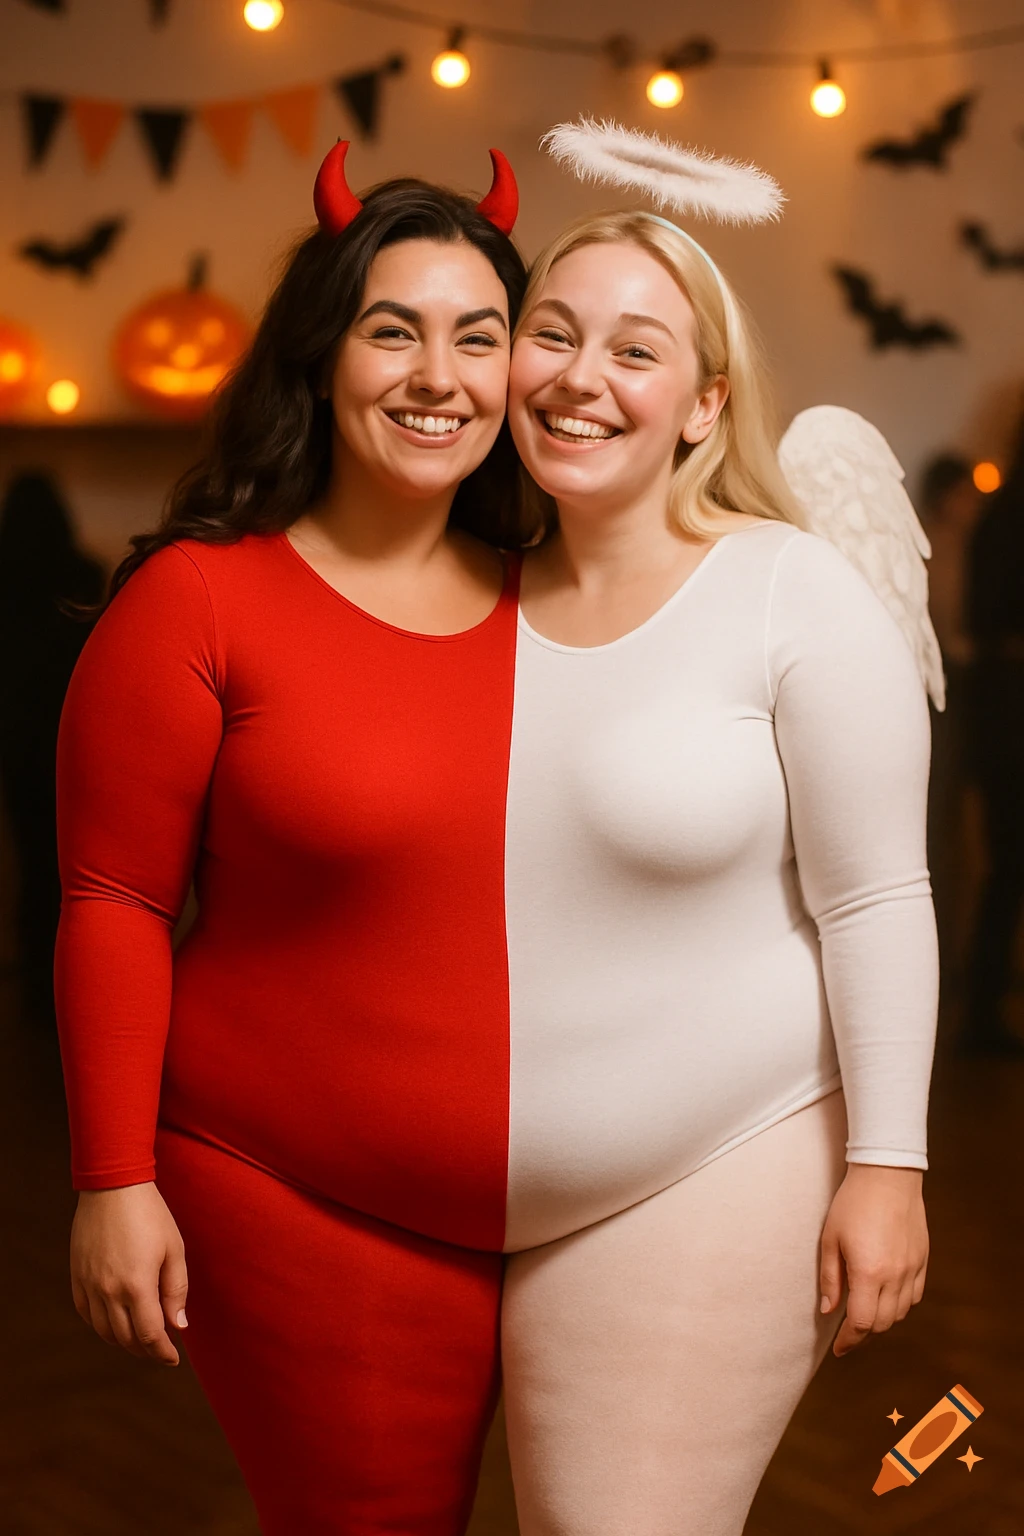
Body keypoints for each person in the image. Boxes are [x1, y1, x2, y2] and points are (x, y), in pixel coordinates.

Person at [56, 151, 530, 1535]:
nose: (439, 374)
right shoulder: (196, 603)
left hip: (570, 1209)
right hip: (291, 1197)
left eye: (479, 335)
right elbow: (112, 900)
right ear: (321, 356)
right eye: (395, 330)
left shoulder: (558, 600)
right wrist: (112, 1181)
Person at [498, 211, 937, 1536]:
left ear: (704, 408)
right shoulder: (467, 599)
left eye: (637, 350)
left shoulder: (788, 591)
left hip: (720, 1165)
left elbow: (876, 899)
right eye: (552, 334)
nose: (581, 377)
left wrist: (890, 1167)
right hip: (482, 1198)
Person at [0, 472, 103, 1031]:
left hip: (15, 735)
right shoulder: (81, 575)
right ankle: (61, 991)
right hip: (67, 735)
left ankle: (34, 990)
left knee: (27, 860)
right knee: (61, 870)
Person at [963, 411, 1024, 1055]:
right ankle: (979, 1018)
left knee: (1006, 871)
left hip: (1003, 717)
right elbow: (990, 622)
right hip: (1011, 721)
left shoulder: (1001, 513)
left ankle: (982, 1014)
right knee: (1007, 870)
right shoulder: (1009, 516)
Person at [918, 453, 981, 988]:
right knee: (938, 826)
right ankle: (943, 958)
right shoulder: (941, 548)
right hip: (945, 701)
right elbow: (949, 633)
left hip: (960, 700)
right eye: (967, 492)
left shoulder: (960, 544)